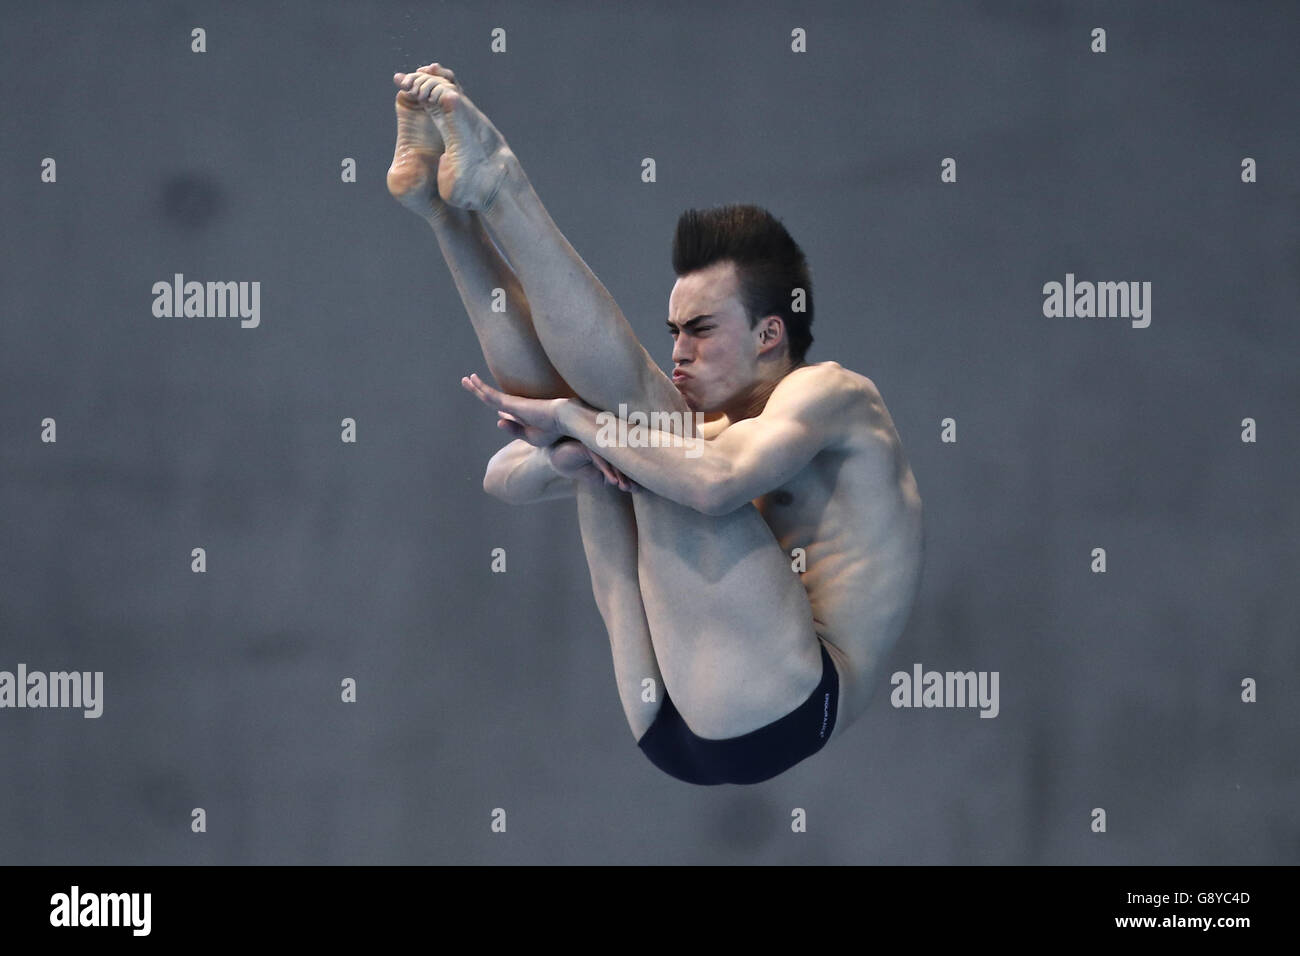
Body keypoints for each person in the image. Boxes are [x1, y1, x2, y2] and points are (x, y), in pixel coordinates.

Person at [387, 63, 923, 785]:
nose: (678, 351)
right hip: (667, 714)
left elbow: (718, 487)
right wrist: (574, 452)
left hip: (786, 705)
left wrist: (579, 425)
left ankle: (502, 184)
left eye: (700, 329)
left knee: (634, 427)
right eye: (673, 329)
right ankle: (445, 215)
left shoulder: (832, 397)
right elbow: (502, 477)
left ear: (770, 334)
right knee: (618, 450)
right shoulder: (705, 427)